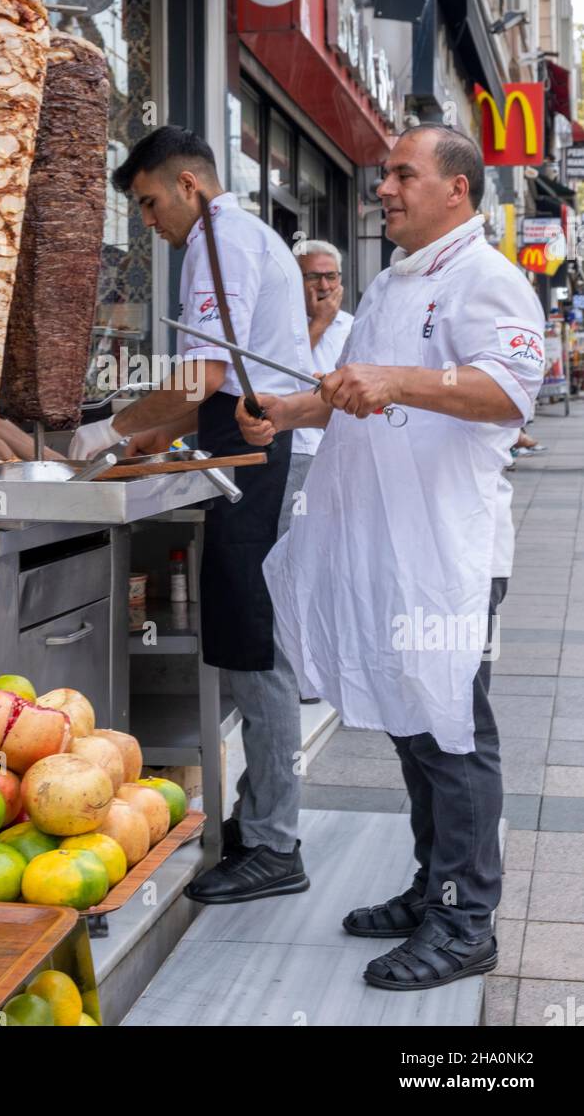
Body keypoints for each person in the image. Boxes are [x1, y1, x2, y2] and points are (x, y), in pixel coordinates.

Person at [237, 124, 545, 990]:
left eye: (403, 174)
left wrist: (396, 382)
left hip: (449, 550)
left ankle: (465, 920)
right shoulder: (392, 286)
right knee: (414, 728)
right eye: (382, 176)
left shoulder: (490, 279)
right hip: (390, 549)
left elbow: (510, 392)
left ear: (458, 189)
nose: (384, 188)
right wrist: (296, 410)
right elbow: (363, 394)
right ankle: (431, 885)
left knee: (451, 731)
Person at [69, 125, 314, 903]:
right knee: (246, 651)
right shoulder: (237, 238)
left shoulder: (218, 241)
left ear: (189, 186)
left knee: (255, 653)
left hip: (260, 462)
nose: (147, 221)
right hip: (251, 455)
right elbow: (202, 393)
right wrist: (128, 439)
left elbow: (199, 378)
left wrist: (106, 432)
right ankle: (257, 818)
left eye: (147, 202)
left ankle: (276, 845)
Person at [281, 240, 354, 704]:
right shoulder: (284, 328)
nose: (324, 286)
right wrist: (318, 325)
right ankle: (301, 678)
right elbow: (281, 382)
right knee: (297, 567)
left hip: (344, 459)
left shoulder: (357, 327)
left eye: (330, 277)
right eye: (312, 277)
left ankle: (339, 671)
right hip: (296, 459)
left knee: (339, 569)